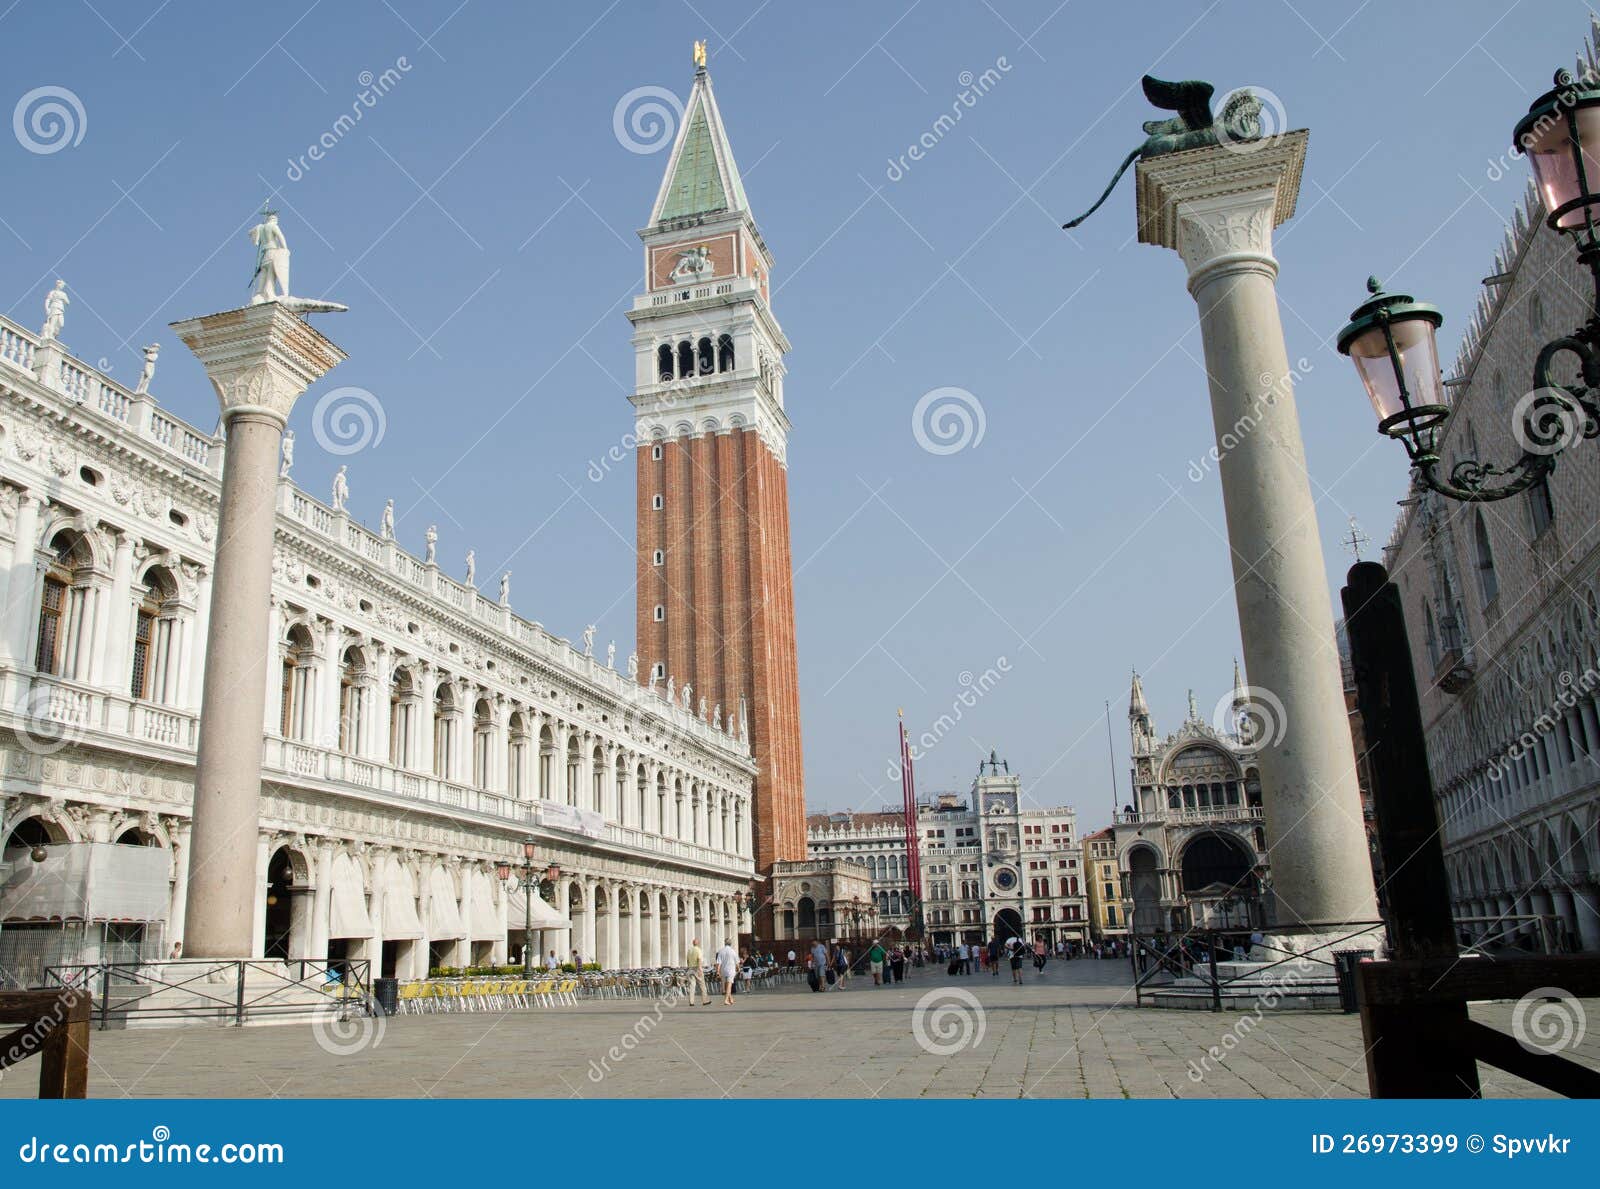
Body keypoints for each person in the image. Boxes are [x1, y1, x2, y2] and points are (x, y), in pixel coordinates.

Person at [686, 937, 711, 1005]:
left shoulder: (689, 950)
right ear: (698, 943)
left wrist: (689, 967)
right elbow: (699, 960)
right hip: (697, 968)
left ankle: (691, 1002)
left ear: (693, 943)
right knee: (702, 985)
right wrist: (700, 969)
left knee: (692, 986)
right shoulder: (698, 950)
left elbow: (687, 960)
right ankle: (704, 1000)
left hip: (690, 969)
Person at [715, 938, 739, 1005]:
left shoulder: (721, 951)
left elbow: (718, 963)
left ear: (724, 943)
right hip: (731, 970)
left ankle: (730, 999)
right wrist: (738, 968)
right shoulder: (733, 951)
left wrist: (717, 971)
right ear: (730, 944)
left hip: (723, 970)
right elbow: (737, 963)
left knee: (726, 985)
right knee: (729, 985)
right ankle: (726, 1000)